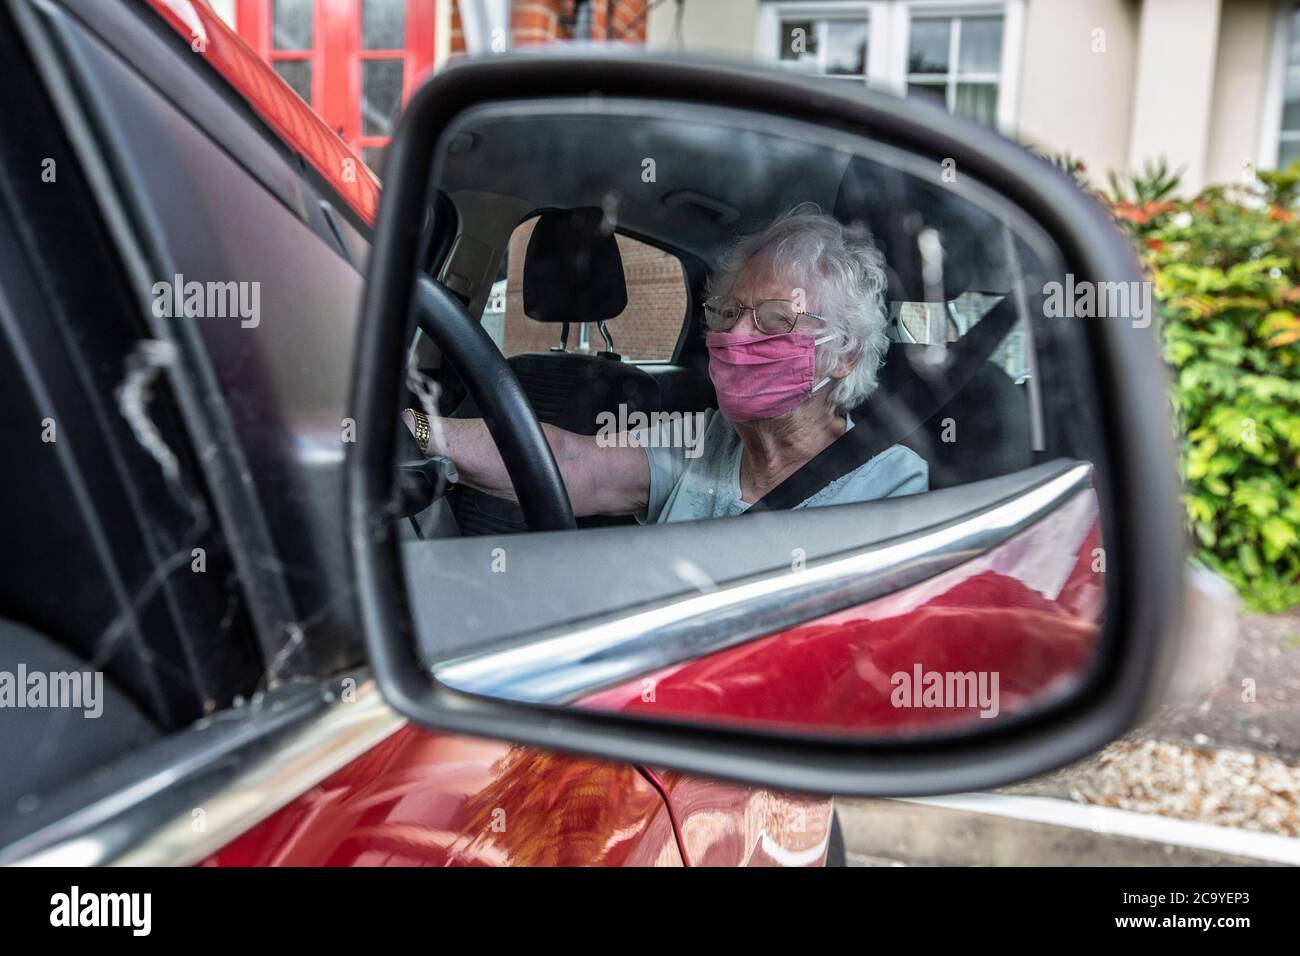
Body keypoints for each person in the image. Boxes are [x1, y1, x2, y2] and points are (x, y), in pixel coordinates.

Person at [404, 205, 927, 524]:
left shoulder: (890, 483)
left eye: (774, 319)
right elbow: (567, 459)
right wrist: (417, 429)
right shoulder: (702, 438)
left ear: (845, 354)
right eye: (728, 313)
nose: (735, 335)